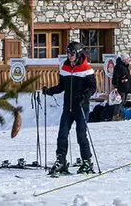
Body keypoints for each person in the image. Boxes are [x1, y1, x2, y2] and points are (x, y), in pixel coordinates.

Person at [43, 41, 96, 175]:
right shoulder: (65, 67)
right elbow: (62, 86)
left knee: (81, 135)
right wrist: (50, 91)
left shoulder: (87, 69)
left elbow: (92, 88)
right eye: (68, 53)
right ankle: (61, 160)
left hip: (81, 107)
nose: (69, 56)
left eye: (72, 53)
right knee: (62, 134)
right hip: (68, 108)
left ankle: (87, 161)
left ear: (78, 54)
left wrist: (84, 96)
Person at [112, 55, 131, 119]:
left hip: (125, 88)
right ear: (124, 60)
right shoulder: (119, 67)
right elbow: (116, 77)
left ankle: (121, 115)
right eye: (128, 59)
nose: (129, 60)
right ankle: (117, 116)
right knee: (119, 102)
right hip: (121, 88)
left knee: (123, 102)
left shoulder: (125, 66)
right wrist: (116, 86)